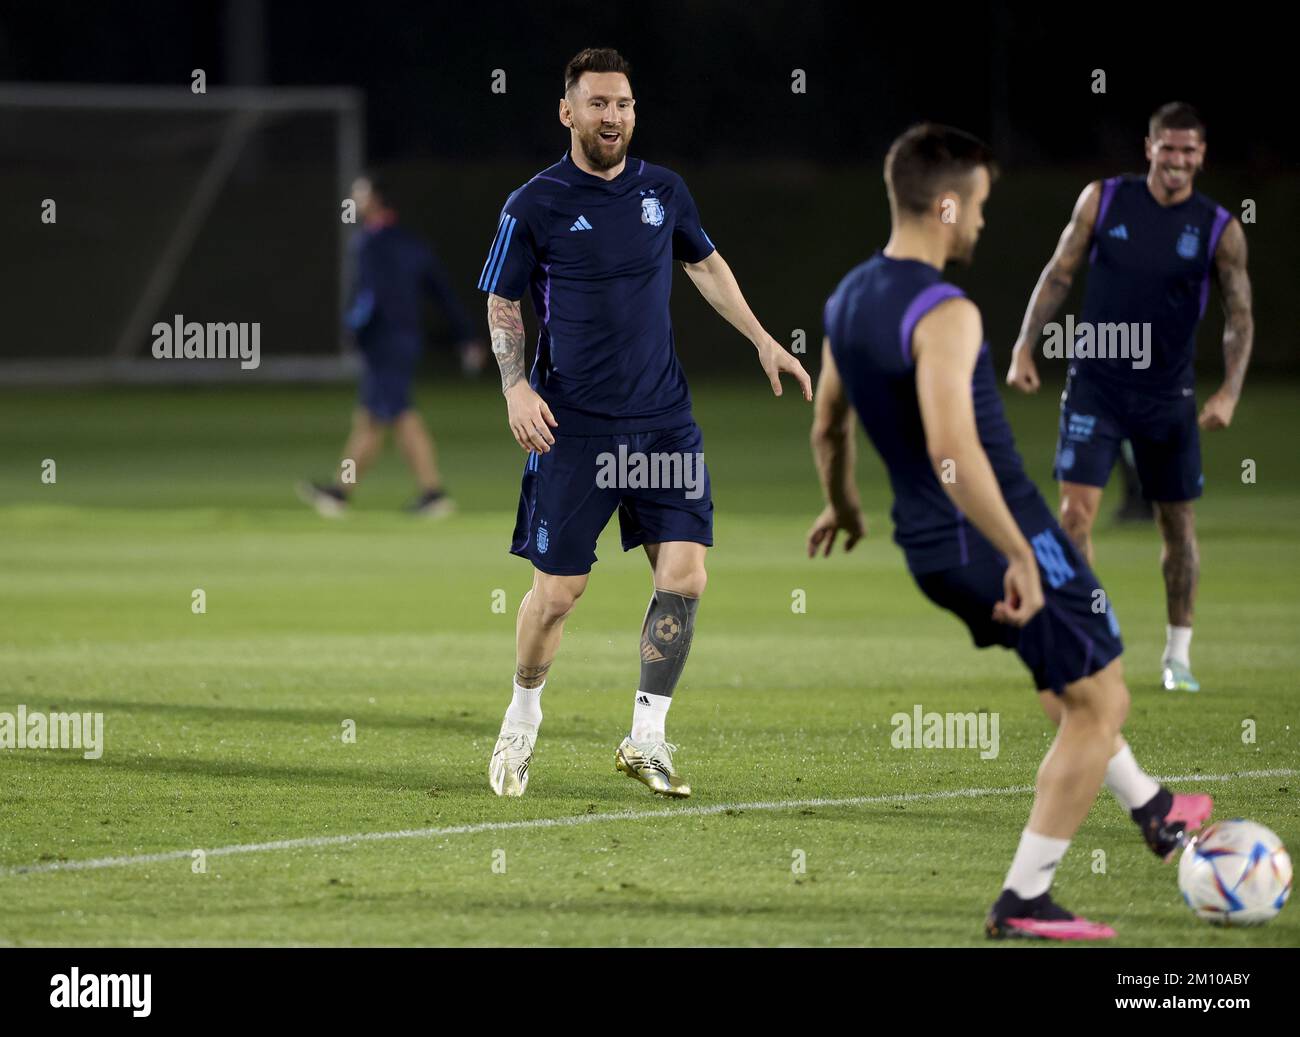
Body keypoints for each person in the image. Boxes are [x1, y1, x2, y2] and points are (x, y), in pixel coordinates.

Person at [807, 123, 1211, 939]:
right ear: (947, 204)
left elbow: (828, 423)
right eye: (981, 204)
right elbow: (955, 452)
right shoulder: (945, 311)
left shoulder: (848, 297)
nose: (984, 222)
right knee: (1104, 697)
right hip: (996, 538)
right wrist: (1023, 553)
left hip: (930, 552)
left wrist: (844, 506)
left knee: (1064, 678)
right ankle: (1025, 897)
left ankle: (1157, 809)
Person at [479, 47, 810, 798]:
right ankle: (521, 720)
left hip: (663, 422)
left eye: (623, 104)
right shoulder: (534, 203)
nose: (612, 117)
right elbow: (503, 301)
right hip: (574, 428)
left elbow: (705, 265)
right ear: (568, 112)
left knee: (685, 576)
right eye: (597, 104)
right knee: (558, 594)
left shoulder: (664, 190)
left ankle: (647, 737)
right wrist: (514, 387)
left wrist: (762, 338)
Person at [1005, 103, 1254, 692]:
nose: (1178, 160)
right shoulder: (1104, 200)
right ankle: (1085, 641)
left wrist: (1229, 392)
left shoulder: (1219, 227)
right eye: (1168, 148)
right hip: (1095, 386)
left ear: (1201, 156)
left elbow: (1238, 316)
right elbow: (1059, 272)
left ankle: (1177, 657)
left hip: (1169, 395)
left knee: (1177, 526)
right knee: (1073, 515)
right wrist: (1023, 347)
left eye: (1189, 151)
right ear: (1149, 149)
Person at [299, 173, 486, 517]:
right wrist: (467, 336)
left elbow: (369, 299)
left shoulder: (369, 243)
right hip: (406, 341)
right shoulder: (412, 242)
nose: (354, 199)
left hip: (385, 342)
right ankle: (356, 490)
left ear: (377, 199)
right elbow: (442, 292)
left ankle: (420, 493)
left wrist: (353, 329)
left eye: (360, 193)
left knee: (388, 416)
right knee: (382, 416)